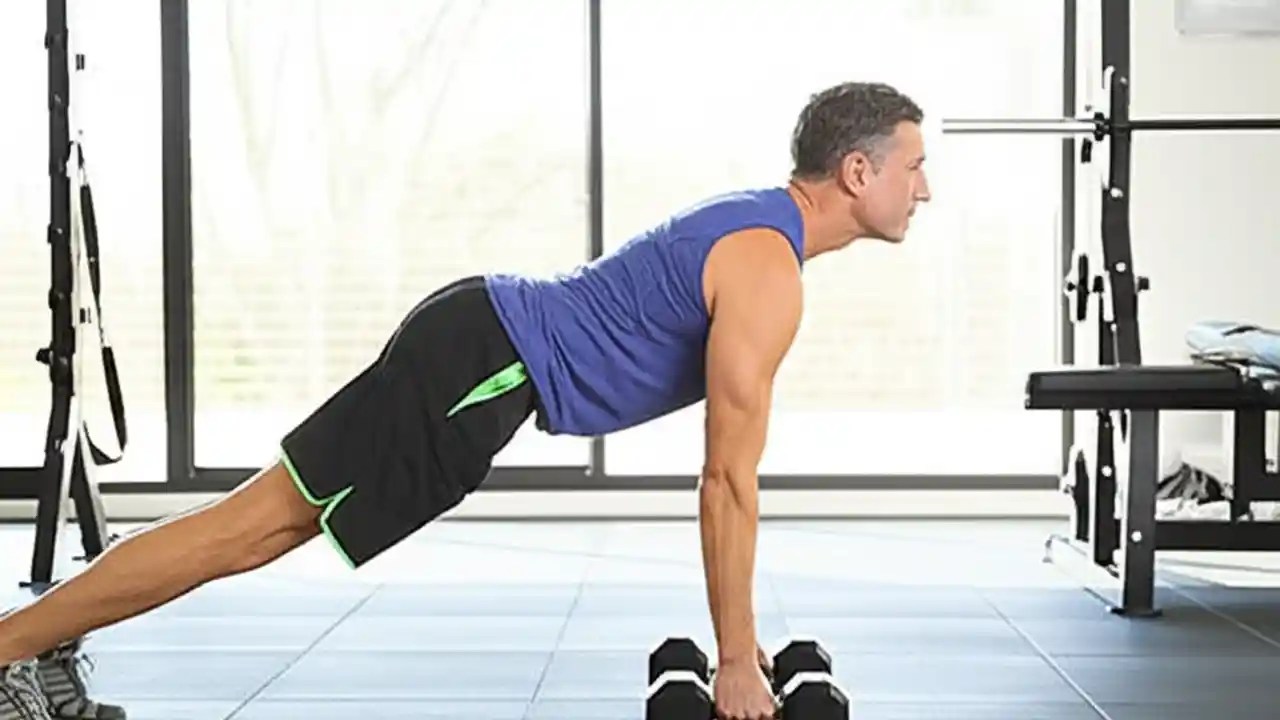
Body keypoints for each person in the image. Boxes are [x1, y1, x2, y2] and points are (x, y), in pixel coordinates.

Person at [0, 80, 930, 720]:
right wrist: (733, 658)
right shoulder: (769, 269)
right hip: (483, 365)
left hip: (482, 345)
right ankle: (9, 649)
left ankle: (43, 644)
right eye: (912, 166)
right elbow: (726, 480)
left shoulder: (758, 228)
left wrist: (742, 643)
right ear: (858, 171)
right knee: (256, 527)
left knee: (263, 524)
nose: (923, 188)